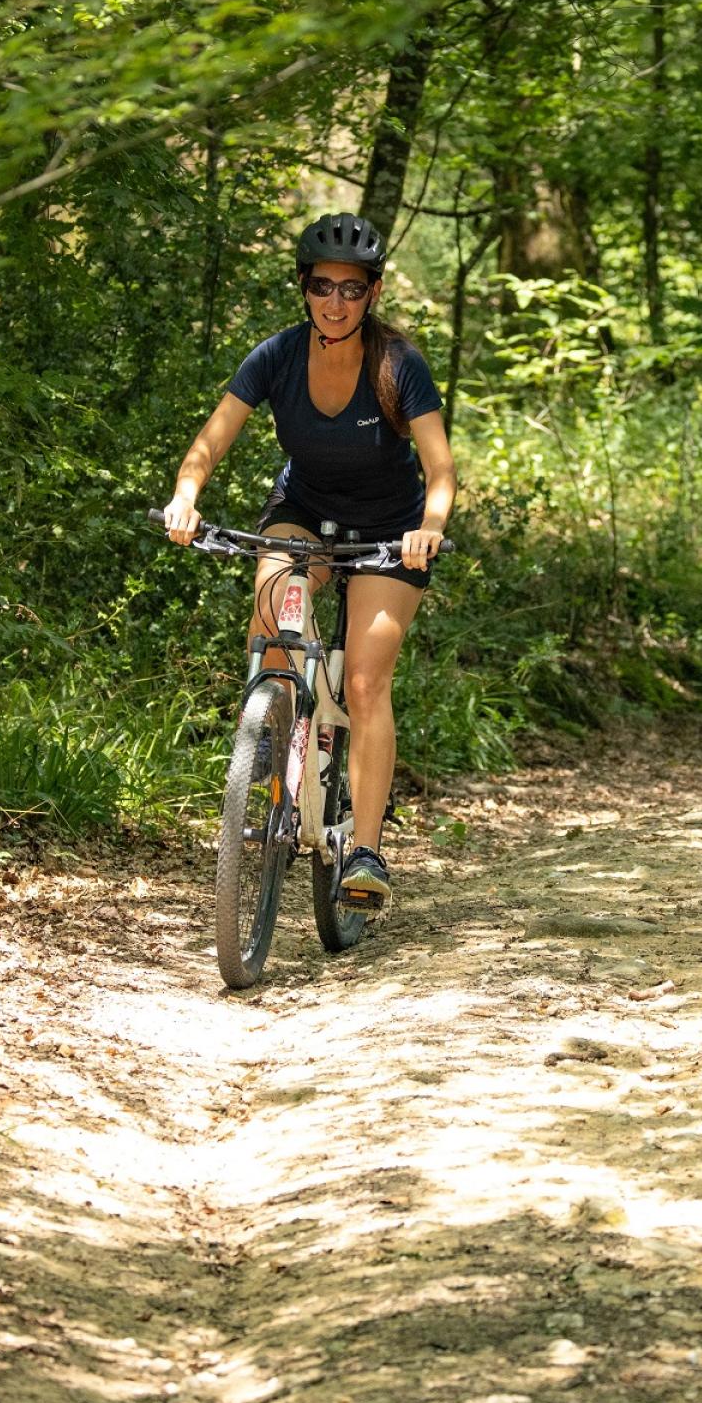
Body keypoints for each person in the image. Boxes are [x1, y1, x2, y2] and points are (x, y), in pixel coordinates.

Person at [162, 212, 457, 906]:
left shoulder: (397, 364)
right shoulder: (277, 357)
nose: (335, 302)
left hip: (389, 531)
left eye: (351, 290)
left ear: (373, 295)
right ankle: (269, 768)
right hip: (305, 515)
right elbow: (212, 438)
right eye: (322, 286)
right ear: (303, 287)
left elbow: (440, 470)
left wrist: (429, 528)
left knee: (363, 681)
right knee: (271, 626)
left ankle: (366, 852)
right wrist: (185, 497)